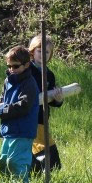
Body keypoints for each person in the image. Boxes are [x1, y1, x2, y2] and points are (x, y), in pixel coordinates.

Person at [0, 46, 39, 183]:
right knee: (4, 161)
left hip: (23, 130)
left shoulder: (29, 83)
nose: (11, 69)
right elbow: (2, 98)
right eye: (9, 66)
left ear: (27, 65)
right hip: (9, 129)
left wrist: (1, 112)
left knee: (15, 161)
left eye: (15, 66)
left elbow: (23, 106)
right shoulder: (8, 81)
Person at [28, 33, 63, 173]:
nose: (43, 55)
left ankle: (40, 173)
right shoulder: (26, 70)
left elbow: (51, 100)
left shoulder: (49, 75)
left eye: (46, 52)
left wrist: (58, 100)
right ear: (32, 51)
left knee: (45, 149)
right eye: (39, 51)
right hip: (27, 116)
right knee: (37, 148)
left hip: (41, 119)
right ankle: (32, 173)